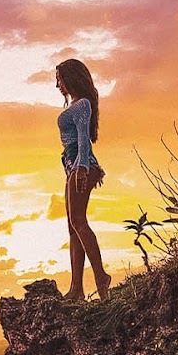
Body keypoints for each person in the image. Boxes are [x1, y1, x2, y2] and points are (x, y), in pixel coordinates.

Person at [55, 57, 112, 301]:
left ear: (70, 78)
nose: (58, 85)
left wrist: (81, 169)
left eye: (59, 79)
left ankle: (101, 277)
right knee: (73, 226)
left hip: (81, 166)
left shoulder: (82, 105)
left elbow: (82, 139)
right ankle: (76, 289)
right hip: (74, 166)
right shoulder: (78, 105)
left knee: (79, 222)